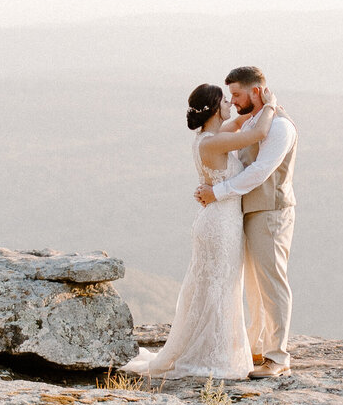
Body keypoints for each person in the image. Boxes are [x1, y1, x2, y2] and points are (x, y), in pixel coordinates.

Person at [124, 83, 274, 378]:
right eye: (226, 101)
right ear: (215, 108)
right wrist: (270, 104)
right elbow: (257, 133)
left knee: (216, 286)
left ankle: (212, 348)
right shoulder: (210, 143)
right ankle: (213, 356)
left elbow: (241, 122)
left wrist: (255, 105)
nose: (231, 104)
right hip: (219, 225)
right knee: (218, 288)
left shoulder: (212, 136)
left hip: (219, 220)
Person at [195, 66, 297, 377]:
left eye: (237, 94)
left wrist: (218, 192)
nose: (233, 101)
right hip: (249, 212)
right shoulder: (255, 119)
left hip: (271, 211)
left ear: (256, 91)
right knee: (254, 284)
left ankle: (278, 357)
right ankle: (258, 347)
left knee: (272, 282)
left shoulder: (279, 127)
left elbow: (260, 172)